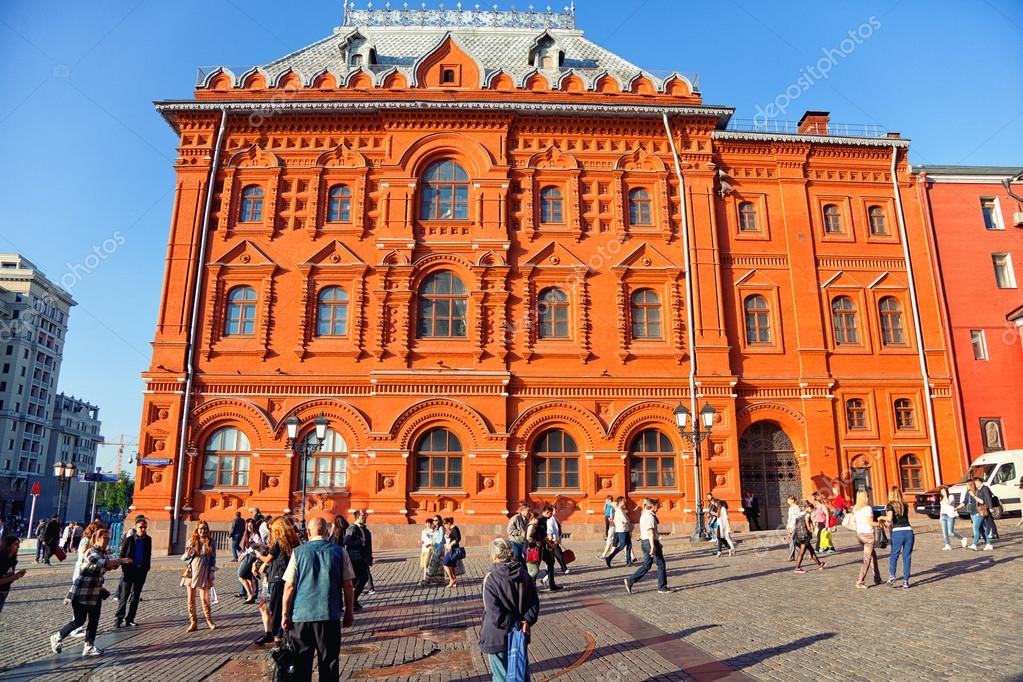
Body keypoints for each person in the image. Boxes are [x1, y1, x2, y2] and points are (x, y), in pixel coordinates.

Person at [281, 516, 356, 681]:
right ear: (327, 532)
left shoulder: (298, 552)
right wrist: (349, 612)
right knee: (329, 663)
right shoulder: (340, 552)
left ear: (308, 532)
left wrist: (285, 614)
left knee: (301, 666)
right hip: (329, 615)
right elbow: (348, 585)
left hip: (302, 617)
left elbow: (289, 586)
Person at [49, 527, 132, 657]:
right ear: (97, 538)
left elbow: (108, 565)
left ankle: (89, 645)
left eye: (108, 539)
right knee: (79, 620)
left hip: (95, 592)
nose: (107, 541)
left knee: (94, 619)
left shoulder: (103, 553)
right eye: (105, 538)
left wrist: (115, 564)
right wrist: (120, 561)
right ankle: (57, 637)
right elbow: (102, 563)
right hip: (82, 591)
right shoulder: (90, 551)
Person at [480, 538, 540, 682]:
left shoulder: (490, 579)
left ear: (494, 556)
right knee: (521, 675)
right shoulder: (524, 574)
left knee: (501, 677)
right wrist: (525, 621)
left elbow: (495, 615)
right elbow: (534, 603)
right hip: (519, 634)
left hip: (497, 637)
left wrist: (515, 623)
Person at [254, 516, 301, 645]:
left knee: (275, 609)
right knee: (287, 607)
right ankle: (286, 635)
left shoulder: (278, 542)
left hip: (277, 578)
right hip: (289, 577)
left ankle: (277, 638)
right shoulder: (294, 541)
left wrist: (258, 554)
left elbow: (268, 559)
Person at [624, 498, 668, 594]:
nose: (658, 507)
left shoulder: (644, 514)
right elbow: (650, 531)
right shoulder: (649, 516)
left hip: (645, 542)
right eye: (657, 505)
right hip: (650, 542)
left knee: (647, 565)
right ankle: (662, 587)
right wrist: (653, 545)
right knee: (661, 564)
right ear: (653, 506)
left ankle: (630, 581)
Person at [114, 516, 152, 628]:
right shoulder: (129, 539)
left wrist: (146, 568)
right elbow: (122, 555)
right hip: (129, 571)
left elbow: (148, 554)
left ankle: (130, 619)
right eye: (141, 527)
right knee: (124, 596)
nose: (143, 529)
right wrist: (124, 568)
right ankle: (118, 619)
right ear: (136, 527)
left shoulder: (148, 539)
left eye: (145, 527)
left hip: (141, 571)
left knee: (135, 596)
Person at [181, 520, 217, 632]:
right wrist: (186, 555)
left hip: (204, 570)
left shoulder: (211, 542)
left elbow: (213, 559)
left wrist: (211, 572)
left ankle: (209, 620)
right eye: (201, 528)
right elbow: (185, 558)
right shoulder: (191, 541)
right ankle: (193, 622)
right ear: (197, 530)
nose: (203, 531)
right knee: (190, 599)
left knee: (205, 598)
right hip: (192, 571)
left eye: (205, 528)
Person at [884, 487, 915, 588]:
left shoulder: (890, 505)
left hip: (898, 532)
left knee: (894, 555)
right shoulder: (904, 505)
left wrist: (881, 517)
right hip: (909, 531)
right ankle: (906, 581)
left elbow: (889, 519)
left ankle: (892, 575)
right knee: (907, 557)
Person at [852, 490, 881, 589]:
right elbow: (870, 522)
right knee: (867, 558)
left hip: (859, 535)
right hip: (868, 535)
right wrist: (880, 523)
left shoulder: (856, 508)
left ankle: (877, 578)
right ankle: (860, 581)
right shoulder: (868, 508)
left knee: (873, 555)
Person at [343, 509, 371, 610]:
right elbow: (346, 542)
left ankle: (352, 600)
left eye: (365, 515)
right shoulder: (352, 529)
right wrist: (359, 541)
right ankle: (351, 601)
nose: (365, 517)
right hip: (354, 559)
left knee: (362, 578)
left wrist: (369, 556)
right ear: (357, 517)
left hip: (361, 558)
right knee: (360, 579)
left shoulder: (363, 529)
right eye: (363, 516)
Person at [793, 501, 825, 573]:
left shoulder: (799, 514)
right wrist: (812, 531)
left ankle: (820, 564)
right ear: (807, 508)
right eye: (811, 509)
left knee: (811, 550)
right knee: (801, 552)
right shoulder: (807, 514)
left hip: (798, 535)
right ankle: (797, 568)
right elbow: (807, 525)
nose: (811, 510)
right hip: (804, 536)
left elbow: (796, 525)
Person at [958, 479, 991, 551]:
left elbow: (982, 501)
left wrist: (973, 496)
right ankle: (988, 544)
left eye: (967, 485)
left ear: (971, 485)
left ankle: (974, 544)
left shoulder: (978, 491)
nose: (966, 486)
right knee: (981, 530)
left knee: (975, 529)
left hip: (978, 513)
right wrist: (957, 508)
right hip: (972, 513)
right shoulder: (968, 492)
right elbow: (965, 502)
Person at [238, 518, 266, 603]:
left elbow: (259, 546)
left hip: (252, 557)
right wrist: (243, 553)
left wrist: (245, 554)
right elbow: (247, 548)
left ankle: (250, 594)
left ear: (254, 526)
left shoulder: (256, 535)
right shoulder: (248, 535)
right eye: (248, 526)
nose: (250, 527)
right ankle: (252, 595)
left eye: (251, 525)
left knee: (240, 575)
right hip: (249, 556)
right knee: (248, 577)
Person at [537, 505, 563, 591]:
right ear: (547, 512)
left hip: (543, 546)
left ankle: (552, 584)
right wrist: (551, 544)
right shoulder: (541, 521)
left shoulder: (543, 520)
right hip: (540, 547)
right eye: (551, 513)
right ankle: (532, 586)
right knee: (536, 567)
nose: (551, 515)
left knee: (551, 563)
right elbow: (543, 536)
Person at [0, 535, 27, 615]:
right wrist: (13, 577)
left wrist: (17, 576)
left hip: (4, 593)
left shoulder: (12, 560)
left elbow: (8, 578)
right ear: (8, 546)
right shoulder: (1, 560)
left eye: (18, 544)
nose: (18, 547)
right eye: (16, 544)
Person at [605, 496, 633, 567]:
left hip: (625, 529)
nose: (625, 501)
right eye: (624, 500)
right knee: (622, 546)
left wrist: (627, 520)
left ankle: (629, 561)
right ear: (620, 502)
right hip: (621, 530)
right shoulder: (619, 511)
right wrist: (627, 520)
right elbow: (625, 520)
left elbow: (627, 519)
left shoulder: (622, 510)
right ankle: (609, 558)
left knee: (629, 545)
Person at [939, 486, 967, 550]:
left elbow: (948, 503)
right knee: (944, 532)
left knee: (950, 532)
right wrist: (940, 517)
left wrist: (945, 495)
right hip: (943, 516)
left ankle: (962, 539)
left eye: (944, 490)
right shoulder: (941, 498)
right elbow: (942, 508)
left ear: (946, 491)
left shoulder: (951, 496)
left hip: (950, 516)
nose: (942, 492)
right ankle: (947, 545)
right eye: (941, 491)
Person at [975, 477, 999, 543]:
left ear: (979, 482)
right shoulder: (979, 489)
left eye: (976, 483)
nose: (975, 485)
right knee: (989, 520)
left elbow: (989, 498)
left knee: (989, 520)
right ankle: (994, 533)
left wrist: (991, 507)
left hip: (987, 507)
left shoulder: (985, 488)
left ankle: (993, 533)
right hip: (983, 507)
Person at [442, 517, 463, 588]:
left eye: (445, 524)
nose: (444, 526)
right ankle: (454, 580)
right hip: (450, 549)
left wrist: (450, 545)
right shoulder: (450, 529)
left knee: (445, 563)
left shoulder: (454, 528)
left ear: (448, 523)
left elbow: (458, 538)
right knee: (452, 565)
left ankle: (451, 579)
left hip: (453, 549)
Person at [418, 517, 437, 585]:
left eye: (430, 523)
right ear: (425, 524)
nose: (428, 525)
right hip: (424, 549)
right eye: (427, 523)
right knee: (424, 564)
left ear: (432, 524)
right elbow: (422, 539)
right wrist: (420, 541)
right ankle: (427, 578)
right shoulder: (423, 531)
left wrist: (429, 544)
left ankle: (426, 578)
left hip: (430, 549)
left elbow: (435, 541)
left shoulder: (434, 531)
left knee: (427, 564)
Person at [784, 496, 800, 561]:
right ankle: (808, 551)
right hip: (790, 526)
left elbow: (796, 518)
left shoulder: (796, 508)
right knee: (795, 541)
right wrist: (788, 527)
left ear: (792, 500)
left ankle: (791, 557)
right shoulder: (790, 508)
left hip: (795, 526)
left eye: (789, 500)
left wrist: (792, 527)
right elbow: (789, 518)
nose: (787, 501)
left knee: (791, 541)